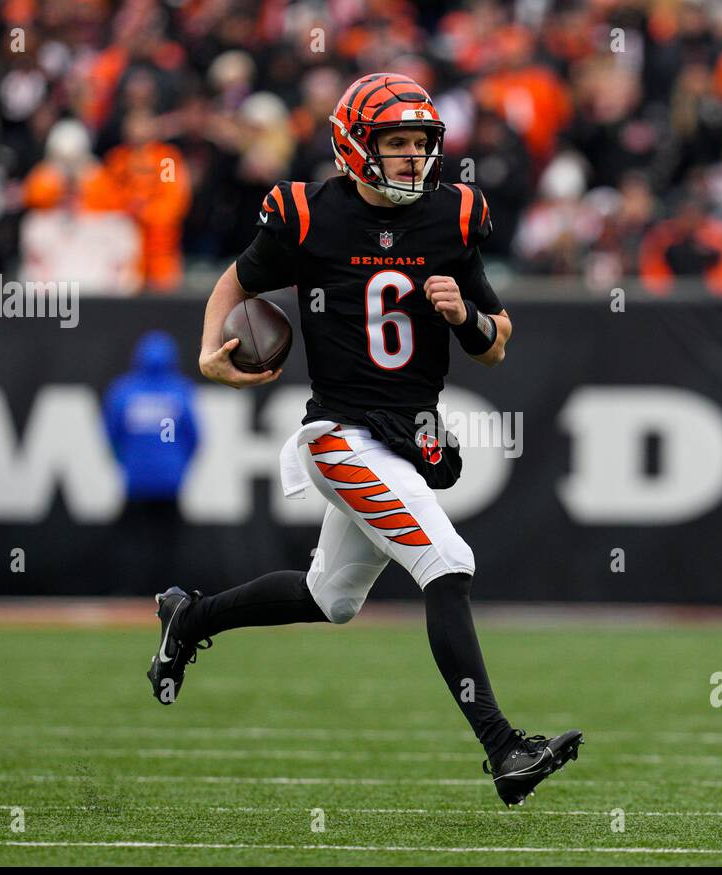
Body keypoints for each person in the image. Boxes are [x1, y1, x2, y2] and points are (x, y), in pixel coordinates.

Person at [144, 73, 582, 806]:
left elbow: (496, 342)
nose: (413, 158)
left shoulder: (452, 217)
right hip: (339, 435)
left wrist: (463, 318)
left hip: (406, 433)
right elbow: (238, 280)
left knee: (330, 598)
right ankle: (504, 749)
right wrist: (208, 346)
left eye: (421, 144)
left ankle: (190, 616)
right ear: (354, 144)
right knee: (446, 561)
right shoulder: (309, 215)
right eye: (397, 143)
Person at [103, 331, 200, 595]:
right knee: (167, 543)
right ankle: (166, 594)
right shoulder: (180, 391)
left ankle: (128, 592)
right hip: (170, 483)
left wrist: (128, 464)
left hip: (136, 482)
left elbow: (111, 436)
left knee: (131, 542)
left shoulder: (123, 391)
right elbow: (195, 437)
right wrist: (177, 467)